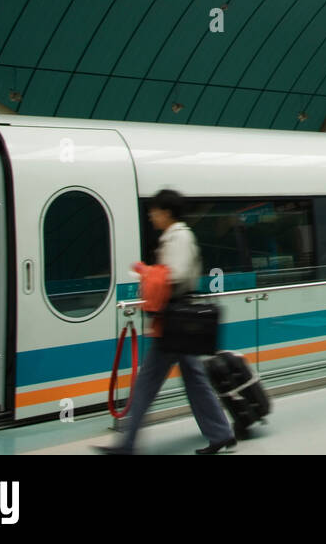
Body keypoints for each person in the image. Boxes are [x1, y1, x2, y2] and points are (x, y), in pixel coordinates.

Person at [97, 189, 235, 455]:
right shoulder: (175, 236)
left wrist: (148, 275)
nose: (151, 216)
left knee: (146, 384)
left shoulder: (179, 237)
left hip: (174, 320)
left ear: (167, 212)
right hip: (177, 321)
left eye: (155, 211)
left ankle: (127, 444)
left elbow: (176, 275)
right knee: (194, 380)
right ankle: (221, 433)